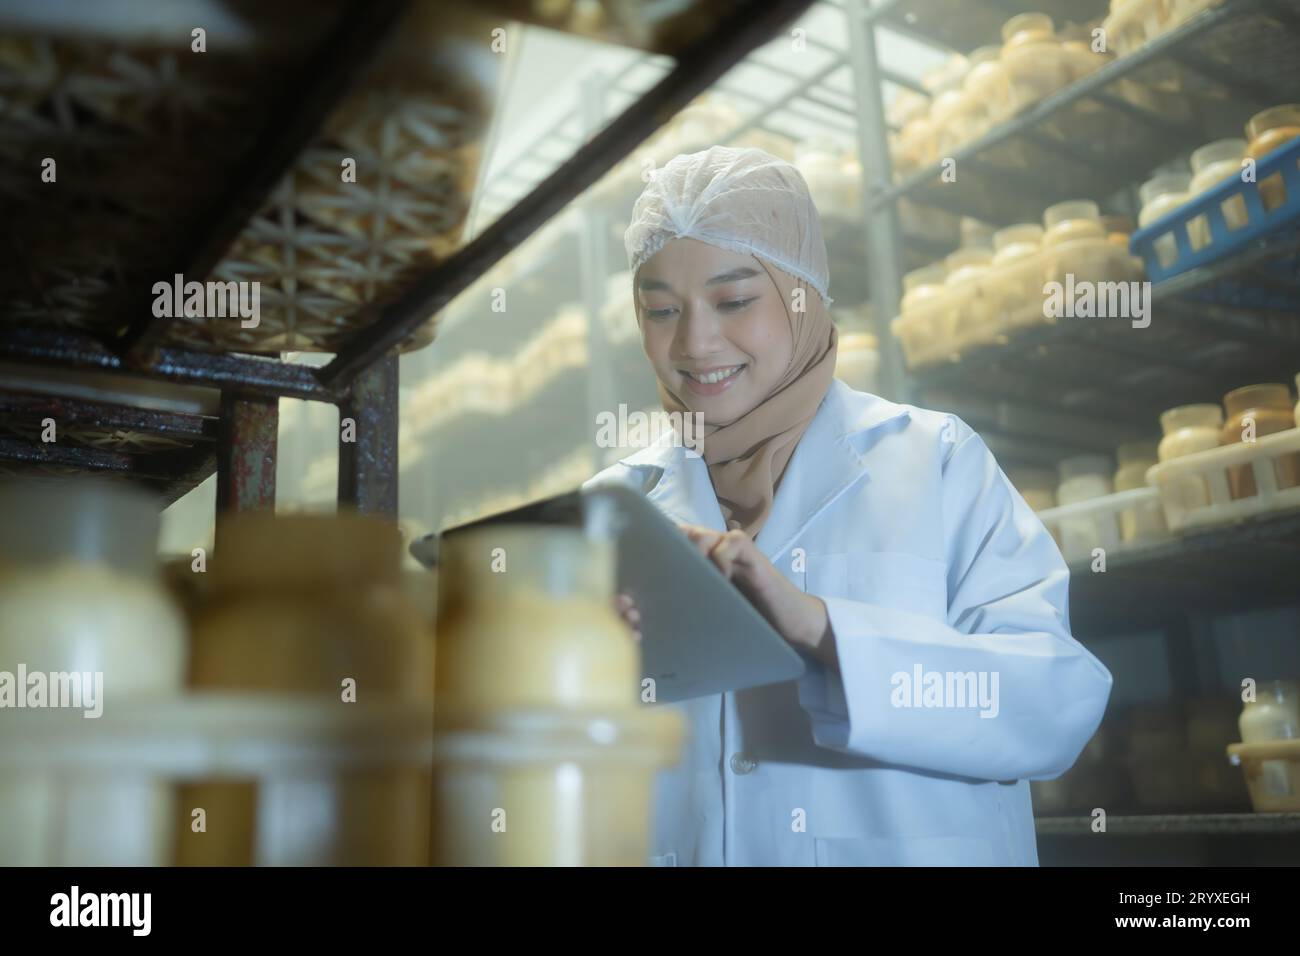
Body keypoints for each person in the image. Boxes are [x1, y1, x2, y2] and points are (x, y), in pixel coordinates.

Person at [584, 145, 1112, 866]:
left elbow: (1056, 705)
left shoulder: (936, 461)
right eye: (660, 310)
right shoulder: (612, 509)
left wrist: (825, 633)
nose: (695, 342)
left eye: (735, 300)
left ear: (803, 295)